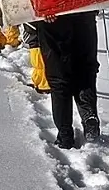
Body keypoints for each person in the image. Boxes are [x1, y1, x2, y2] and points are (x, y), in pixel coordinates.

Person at [31, 10, 100, 149]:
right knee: (85, 70)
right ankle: (89, 116)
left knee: (59, 80)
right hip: (85, 13)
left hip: (52, 19)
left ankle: (65, 135)